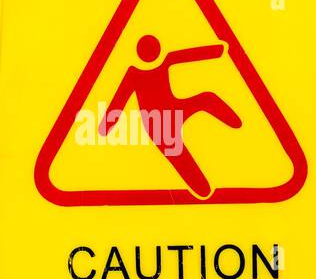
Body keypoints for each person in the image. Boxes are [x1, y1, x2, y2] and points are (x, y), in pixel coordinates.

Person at [100, 33, 241, 198]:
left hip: (174, 109)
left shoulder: (163, 62)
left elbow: (188, 55)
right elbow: (118, 102)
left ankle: (237, 124)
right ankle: (202, 189)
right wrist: (105, 128)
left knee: (206, 98)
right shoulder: (133, 74)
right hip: (159, 124)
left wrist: (218, 50)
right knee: (181, 159)